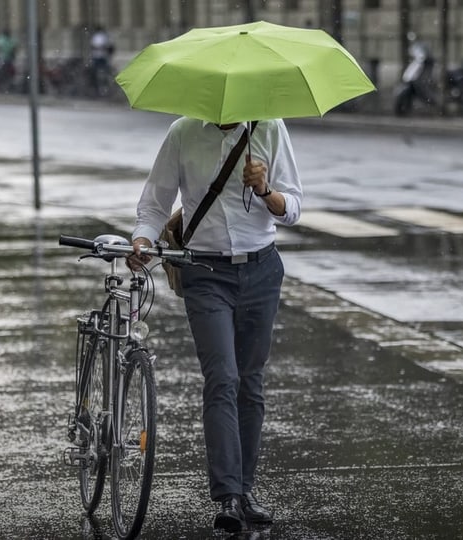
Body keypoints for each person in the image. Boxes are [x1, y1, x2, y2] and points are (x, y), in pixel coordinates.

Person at [127, 118, 303, 533]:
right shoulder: (184, 132)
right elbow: (154, 204)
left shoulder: (270, 129)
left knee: (250, 381)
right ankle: (227, 495)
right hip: (204, 273)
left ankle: (245, 488)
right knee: (222, 377)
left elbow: (293, 207)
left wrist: (265, 191)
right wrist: (142, 240)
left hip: (261, 270)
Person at [89, 25, 114, 96]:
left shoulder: (98, 37)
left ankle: (99, 87)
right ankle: (101, 87)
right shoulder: (103, 36)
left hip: (99, 57)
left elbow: (94, 46)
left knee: (98, 72)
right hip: (101, 57)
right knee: (101, 72)